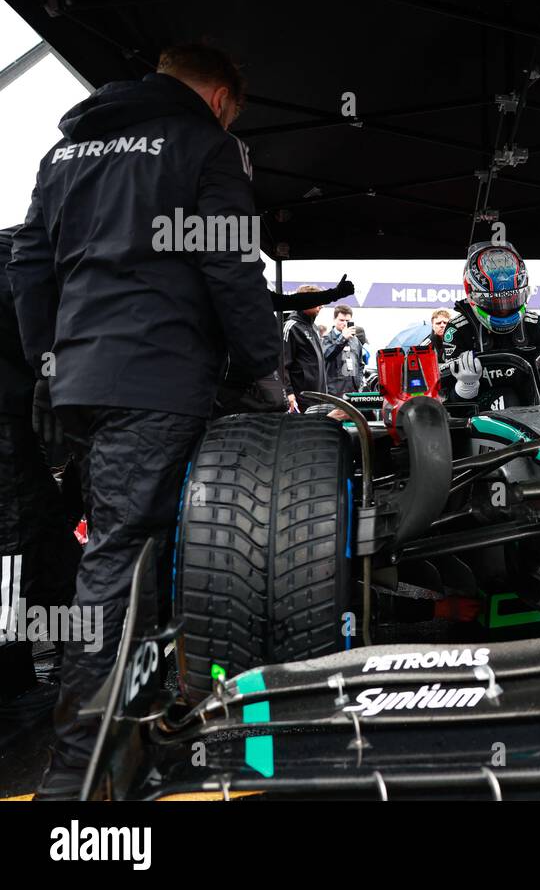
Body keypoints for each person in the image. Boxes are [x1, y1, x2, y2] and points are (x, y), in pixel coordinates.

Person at [6, 42, 281, 796]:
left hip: (83, 381)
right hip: (156, 376)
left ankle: (136, 718)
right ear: (221, 96)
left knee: (116, 544)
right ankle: (80, 773)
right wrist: (267, 373)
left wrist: (52, 362)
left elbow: (29, 266)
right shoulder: (204, 144)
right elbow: (231, 264)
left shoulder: (66, 151)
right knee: (121, 559)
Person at [0, 226, 79, 705]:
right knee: (12, 545)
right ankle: (11, 675)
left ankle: (27, 669)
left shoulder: (24, 251)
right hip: (9, 424)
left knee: (44, 536)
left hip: (17, 423)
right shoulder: (23, 259)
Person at [441, 241, 540, 409]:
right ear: (472, 294)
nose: (504, 309)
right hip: (482, 417)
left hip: (539, 417)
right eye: (495, 302)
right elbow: (447, 403)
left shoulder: (534, 324)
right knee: (507, 398)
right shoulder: (458, 330)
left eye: (511, 300)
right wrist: (466, 387)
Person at [282, 284, 326, 410]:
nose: (321, 306)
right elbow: (282, 365)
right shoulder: (291, 327)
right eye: (318, 302)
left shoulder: (315, 327)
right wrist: (289, 393)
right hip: (301, 398)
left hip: (319, 396)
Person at [323, 305, 366, 395]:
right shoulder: (326, 339)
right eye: (341, 320)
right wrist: (343, 338)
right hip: (333, 392)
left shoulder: (355, 341)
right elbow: (327, 356)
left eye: (348, 321)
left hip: (353, 391)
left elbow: (360, 364)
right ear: (334, 319)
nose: (345, 324)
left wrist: (358, 383)